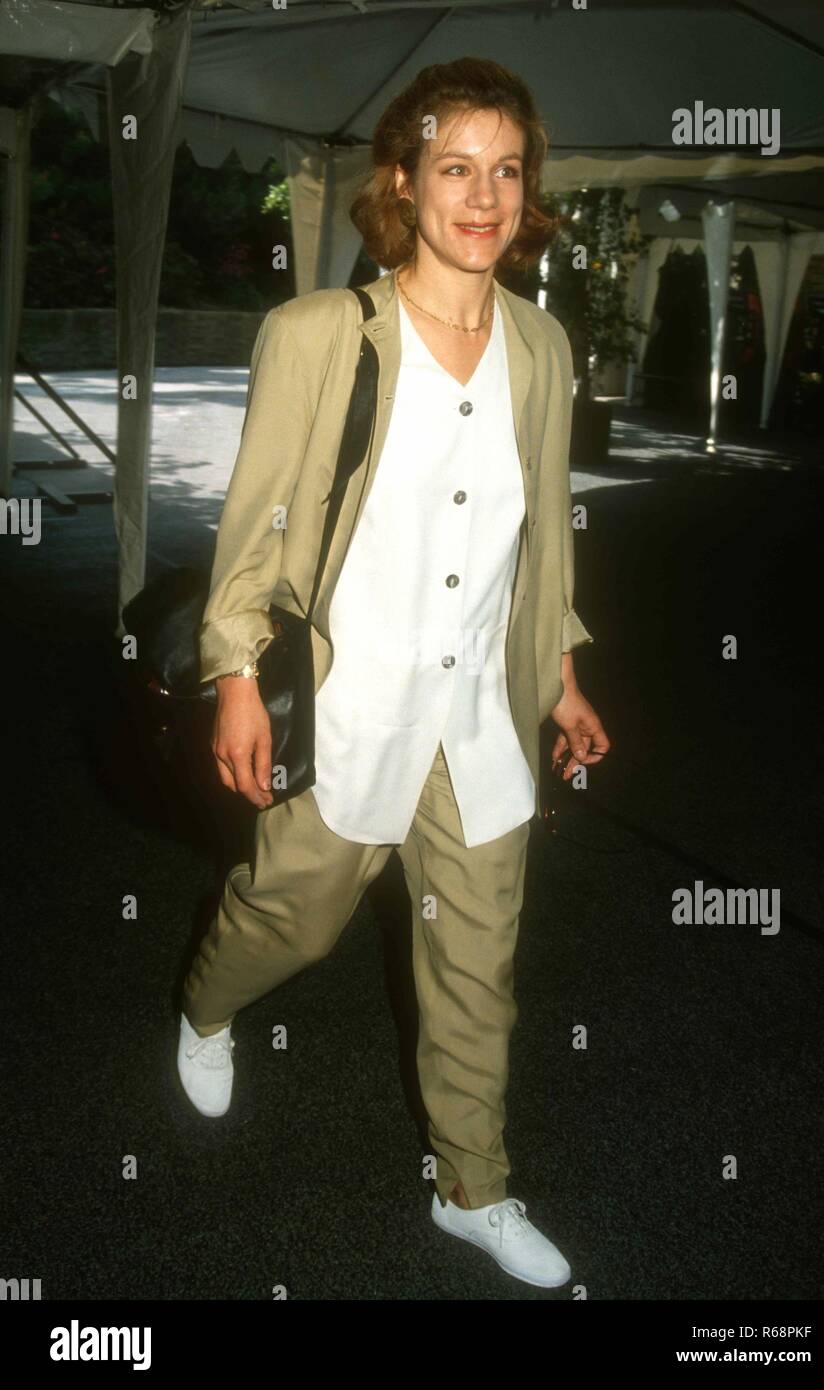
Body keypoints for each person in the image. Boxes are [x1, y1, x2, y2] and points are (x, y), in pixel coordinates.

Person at [177, 56, 610, 1290]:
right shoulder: (320, 333)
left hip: (476, 717)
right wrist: (238, 677)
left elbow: (545, 530)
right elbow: (257, 522)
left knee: (480, 971)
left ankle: (472, 1186)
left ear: (529, 194)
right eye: (454, 168)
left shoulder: (541, 347)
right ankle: (206, 1006)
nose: (482, 196)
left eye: (506, 170)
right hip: (350, 701)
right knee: (290, 919)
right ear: (404, 181)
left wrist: (560, 674)